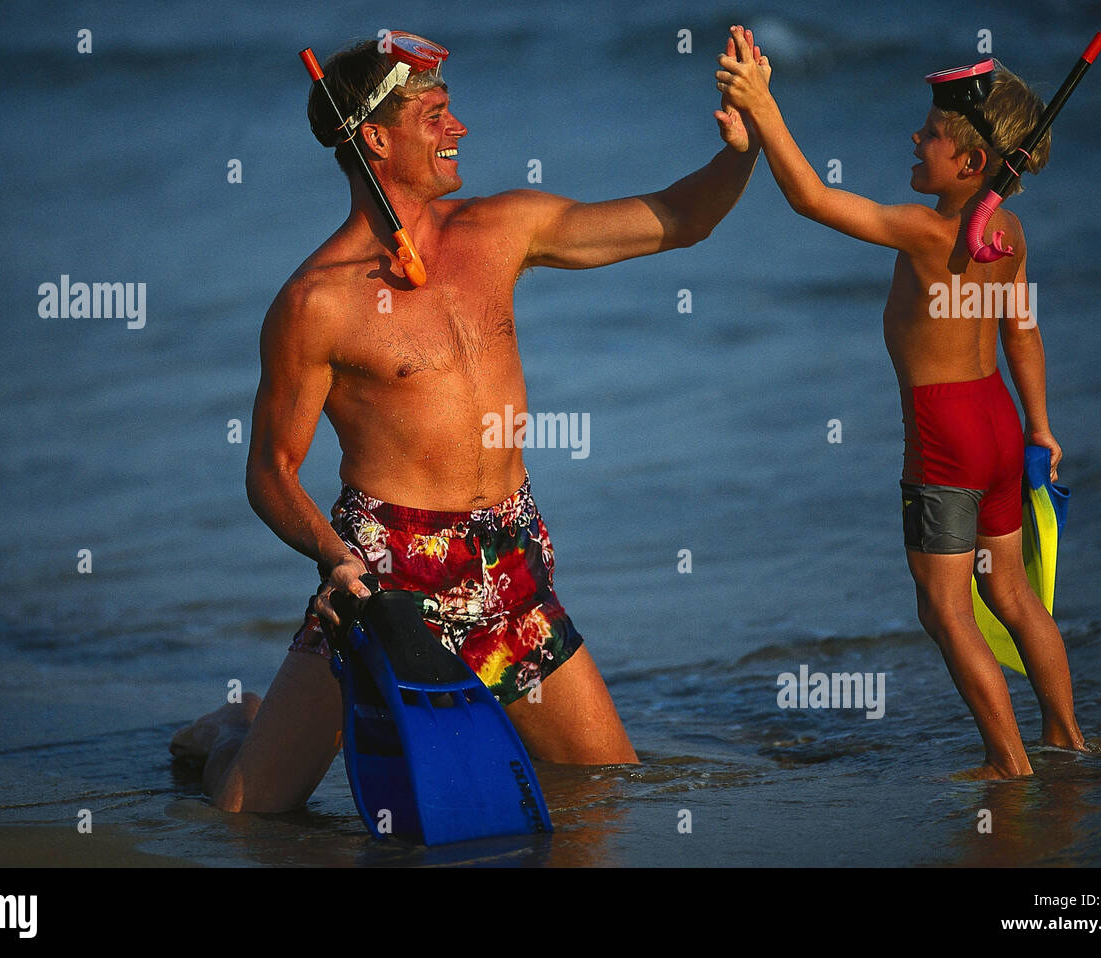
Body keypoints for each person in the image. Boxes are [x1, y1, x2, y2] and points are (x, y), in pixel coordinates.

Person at [170, 31, 764, 811]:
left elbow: (680, 219)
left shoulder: (502, 227)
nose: (460, 129)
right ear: (376, 137)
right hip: (386, 570)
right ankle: (229, 727)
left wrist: (744, 147)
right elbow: (270, 471)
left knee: (607, 789)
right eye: (436, 114)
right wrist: (332, 555)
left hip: (507, 558)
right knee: (249, 808)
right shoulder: (315, 302)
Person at [716, 26, 1086, 777]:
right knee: (1012, 594)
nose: (915, 140)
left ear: (973, 163)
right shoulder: (1007, 232)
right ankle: (1067, 740)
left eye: (933, 136)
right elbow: (1024, 335)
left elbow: (811, 197)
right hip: (999, 424)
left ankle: (1007, 762)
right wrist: (1041, 428)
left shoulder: (924, 232)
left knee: (943, 607)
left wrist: (765, 104)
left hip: (945, 433)